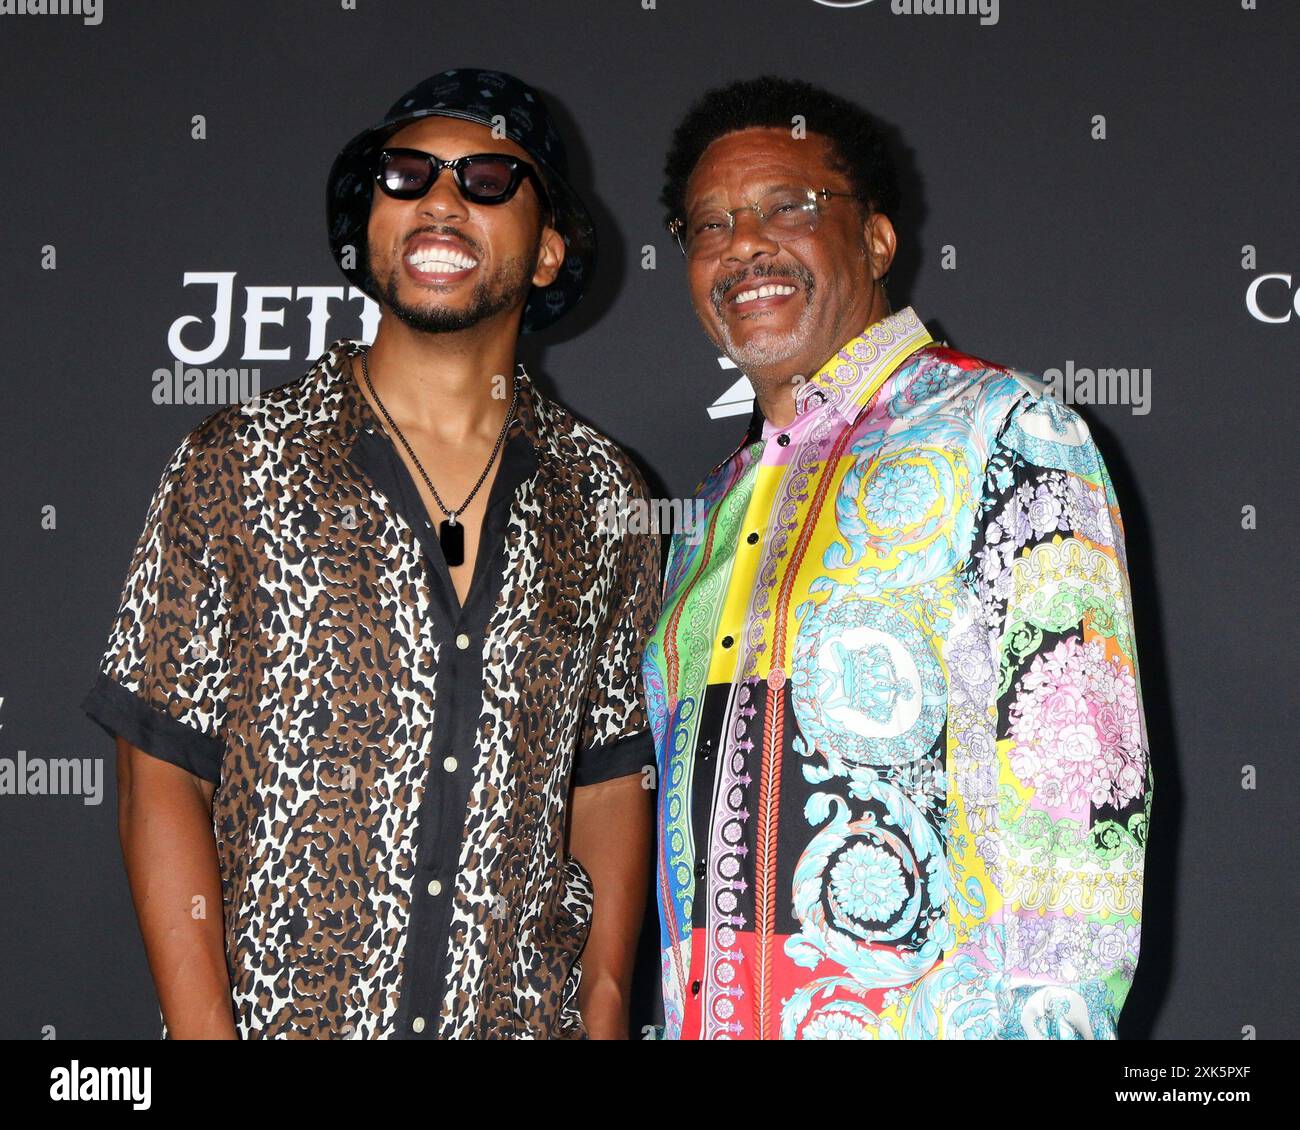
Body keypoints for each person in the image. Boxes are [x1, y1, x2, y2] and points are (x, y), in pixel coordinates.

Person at [80, 68, 658, 1040]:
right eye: (406, 175)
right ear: (370, 227)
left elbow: (605, 779)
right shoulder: (236, 461)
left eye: (486, 178)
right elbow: (161, 772)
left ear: (550, 248)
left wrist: (600, 1011)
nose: (439, 198)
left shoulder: (604, 493)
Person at [643, 76, 1153, 1040]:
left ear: (877, 238)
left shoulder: (1000, 430)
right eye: (708, 225)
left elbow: (1082, 807)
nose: (743, 242)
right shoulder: (708, 510)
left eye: (788, 206)